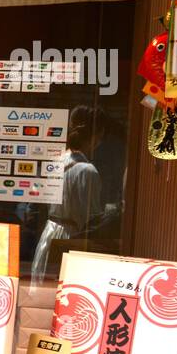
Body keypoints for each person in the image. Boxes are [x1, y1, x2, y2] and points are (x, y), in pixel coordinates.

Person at [32, 106, 116, 281]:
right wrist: (111, 212)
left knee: (44, 290)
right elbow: (92, 217)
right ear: (96, 137)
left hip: (50, 233)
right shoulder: (88, 170)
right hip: (72, 238)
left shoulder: (56, 161)